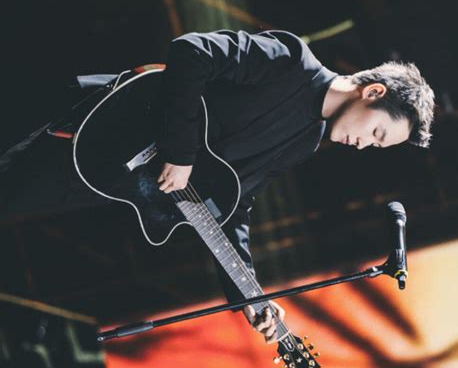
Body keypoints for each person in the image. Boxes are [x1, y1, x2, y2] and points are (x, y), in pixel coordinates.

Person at [154, 29, 435, 343]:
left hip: (127, 188)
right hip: (116, 118)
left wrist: (249, 294)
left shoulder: (307, 141)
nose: (363, 145)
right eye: (376, 133)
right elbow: (192, 50)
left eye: (375, 145)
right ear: (373, 92)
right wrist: (179, 153)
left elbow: (236, 202)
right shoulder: (291, 60)